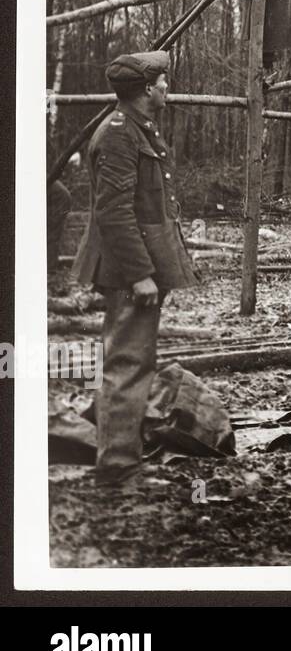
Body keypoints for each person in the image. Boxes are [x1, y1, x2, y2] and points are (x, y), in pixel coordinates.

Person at [71, 51, 199, 487]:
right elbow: (114, 213)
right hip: (128, 270)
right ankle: (119, 469)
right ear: (147, 88)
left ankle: (122, 456)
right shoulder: (119, 135)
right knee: (127, 362)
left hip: (138, 264)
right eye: (162, 80)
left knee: (134, 359)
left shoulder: (137, 130)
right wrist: (141, 273)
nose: (167, 86)